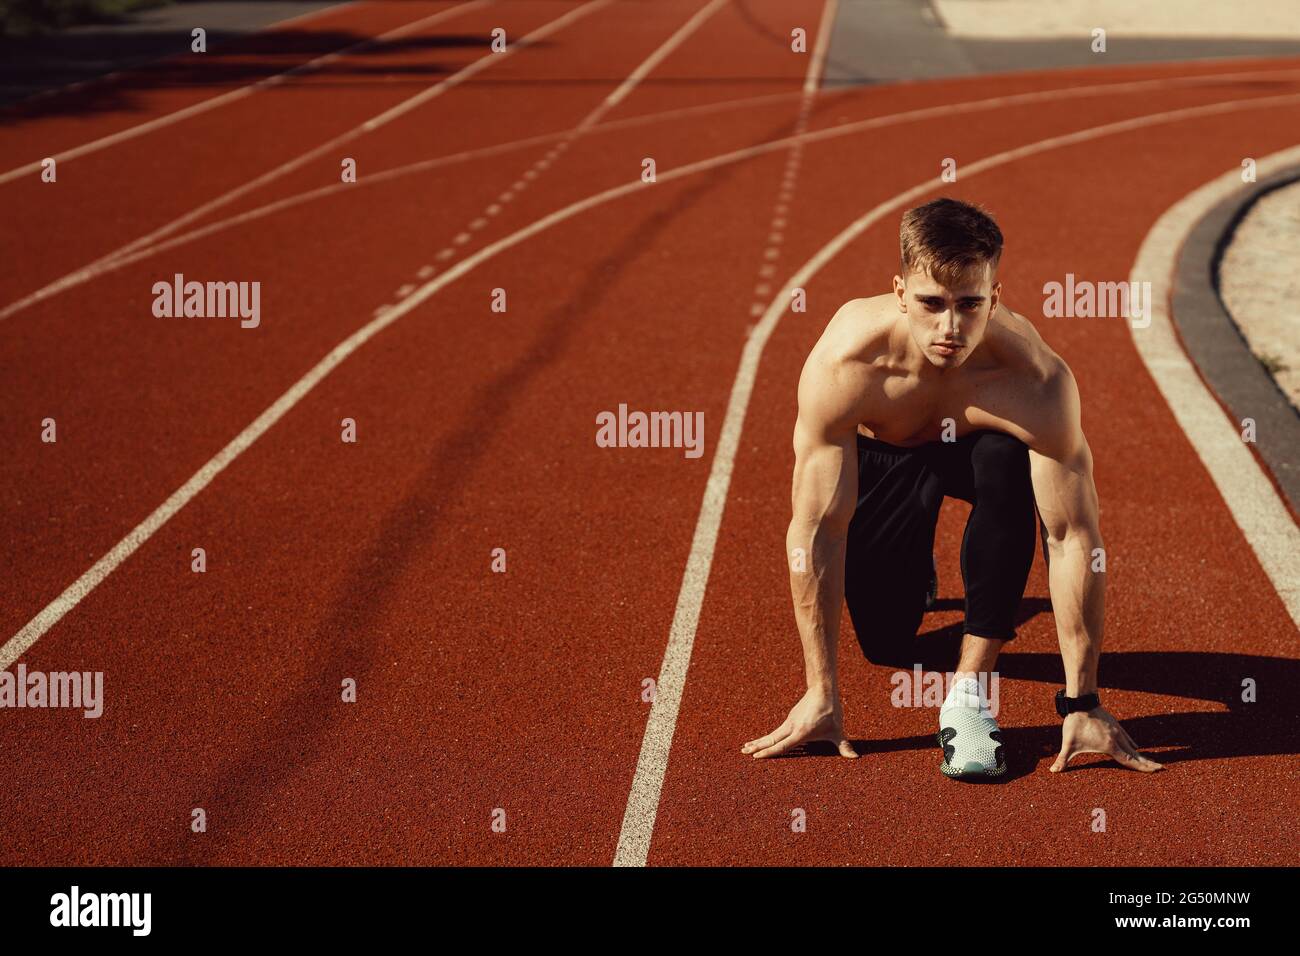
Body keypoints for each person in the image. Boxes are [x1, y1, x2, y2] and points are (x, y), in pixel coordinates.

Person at [742, 197, 1162, 779]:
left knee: (1007, 460)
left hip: (978, 453)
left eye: (969, 305)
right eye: (931, 304)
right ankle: (913, 566)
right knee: (887, 646)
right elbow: (818, 529)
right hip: (886, 459)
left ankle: (969, 693)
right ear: (898, 292)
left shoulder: (1034, 382)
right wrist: (820, 691)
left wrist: (1083, 700)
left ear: (995, 296)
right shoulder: (847, 365)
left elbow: (1071, 538)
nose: (950, 328)